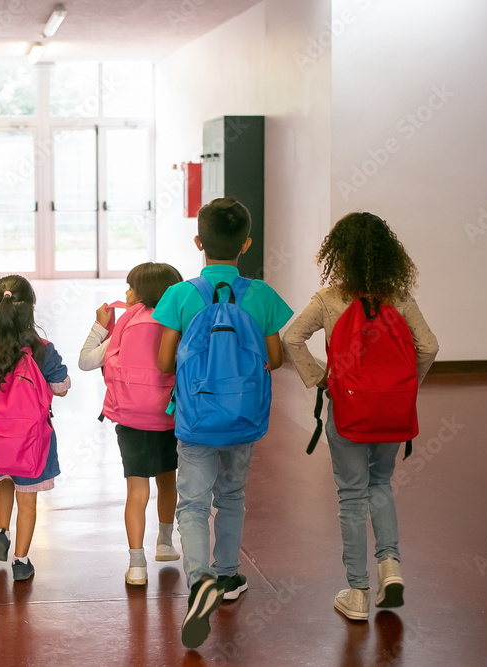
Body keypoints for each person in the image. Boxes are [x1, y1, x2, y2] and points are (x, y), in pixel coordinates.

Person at [282, 211, 439, 621]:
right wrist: (404, 389)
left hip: (348, 411)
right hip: (390, 412)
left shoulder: (329, 299)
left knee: (351, 495)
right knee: (381, 483)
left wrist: (320, 380)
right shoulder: (400, 298)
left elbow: (292, 338)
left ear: (340, 254)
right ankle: (390, 566)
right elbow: (429, 346)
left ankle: (358, 592)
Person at [153, 198, 293, 648]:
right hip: (243, 417)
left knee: (192, 503)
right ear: (246, 244)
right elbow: (275, 357)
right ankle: (229, 576)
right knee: (231, 494)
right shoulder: (262, 294)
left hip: (195, 417)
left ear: (199, 241)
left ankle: (200, 583)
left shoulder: (180, 294)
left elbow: (162, 361)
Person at [78, 262, 184, 586]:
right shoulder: (176, 322)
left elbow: (85, 361)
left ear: (141, 293)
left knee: (136, 491)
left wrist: (100, 326)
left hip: (130, 417)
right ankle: (165, 544)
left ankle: (136, 565)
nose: (126, 293)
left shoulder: (127, 320)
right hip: (169, 415)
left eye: (130, 287)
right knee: (168, 481)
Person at [0, 275, 71, 582]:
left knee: (4, 480)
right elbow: (61, 388)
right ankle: (21, 561)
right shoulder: (43, 350)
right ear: (31, 310)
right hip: (31, 442)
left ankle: (0, 532)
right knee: (28, 499)